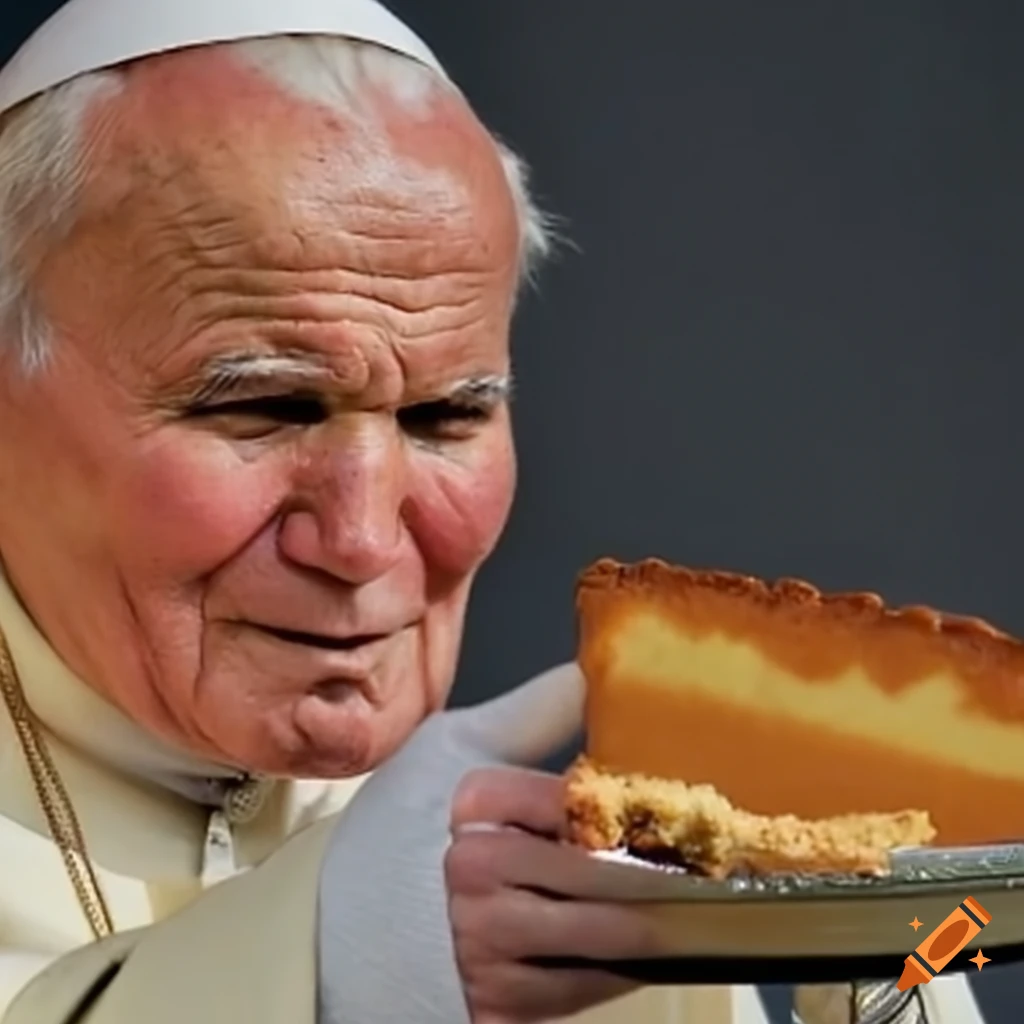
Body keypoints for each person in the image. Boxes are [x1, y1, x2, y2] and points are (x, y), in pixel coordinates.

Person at [0, 2, 991, 1023]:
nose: (363, 541)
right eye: (262, 407)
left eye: (445, 416)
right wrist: (330, 965)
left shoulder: (570, 894)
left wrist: (885, 956)